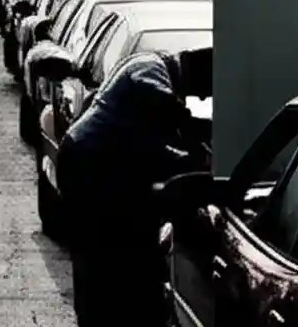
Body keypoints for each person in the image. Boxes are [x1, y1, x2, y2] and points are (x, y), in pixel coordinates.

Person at [57, 47, 212, 327]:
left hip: (91, 160)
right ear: (195, 72)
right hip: (90, 164)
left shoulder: (145, 65)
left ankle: (101, 316)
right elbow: (164, 110)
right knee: (101, 254)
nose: (196, 97)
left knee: (99, 256)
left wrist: (188, 159)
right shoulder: (151, 68)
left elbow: (150, 141)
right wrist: (203, 135)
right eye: (200, 91)